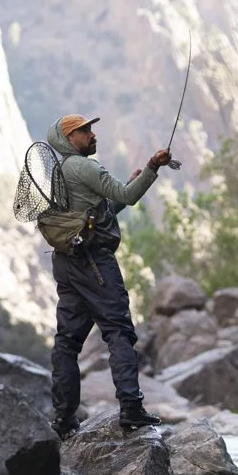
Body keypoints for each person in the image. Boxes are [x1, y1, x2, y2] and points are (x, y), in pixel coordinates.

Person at [43, 114, 171, 435]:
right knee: (118, 331)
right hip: (94, 264)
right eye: (85, 130)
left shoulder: (60, 171)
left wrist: (133, 181)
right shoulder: (86, 167)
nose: (92, 134)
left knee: (68, 341)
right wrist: (153, 167)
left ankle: (63, 419)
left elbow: (105, 211)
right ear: (70, 138)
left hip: (68, 262)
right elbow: (127, 197)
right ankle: (131, 408)